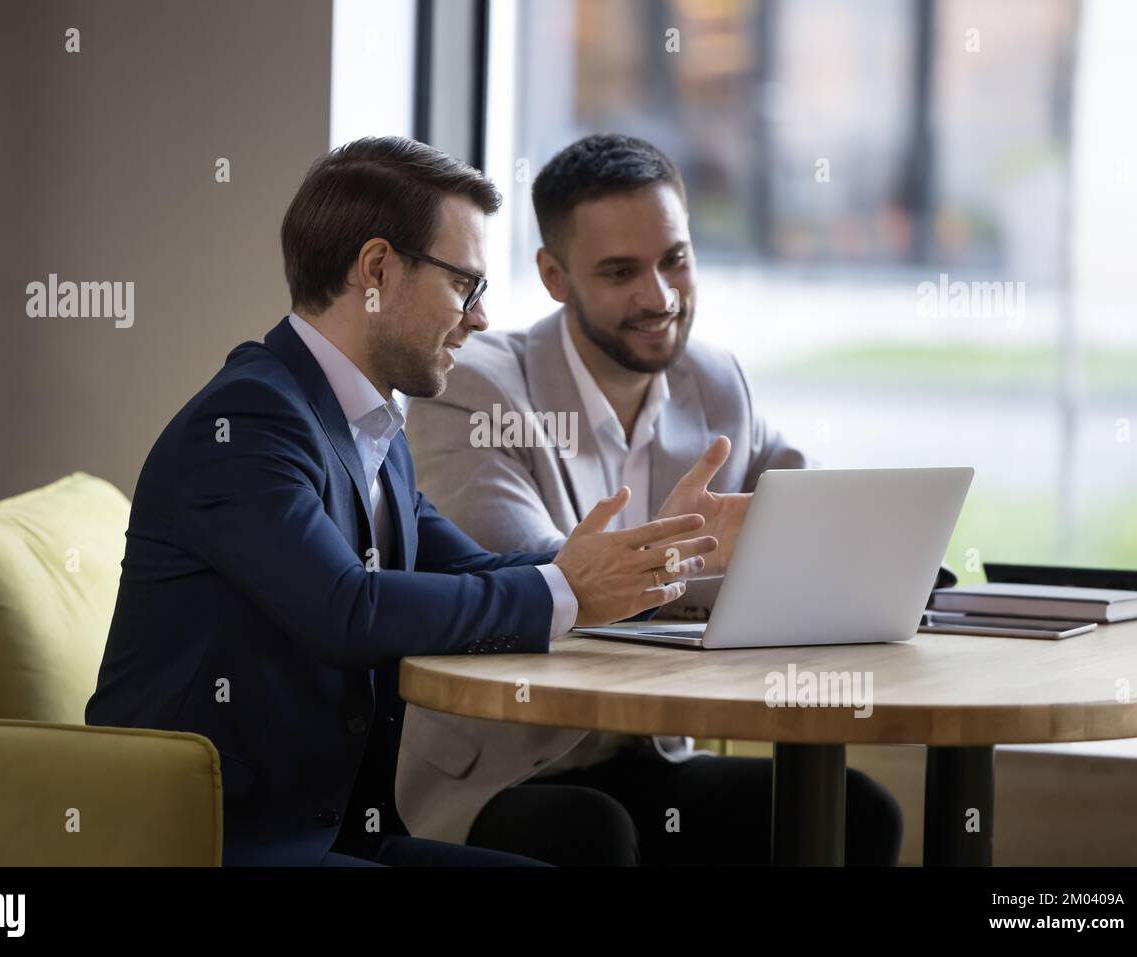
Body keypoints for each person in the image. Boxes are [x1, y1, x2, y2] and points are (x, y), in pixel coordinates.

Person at [85, 135, 730, 867]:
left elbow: (474, 569)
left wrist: (647, 560)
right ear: (377, 270)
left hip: (331, 836)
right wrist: (568, 590)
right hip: (209, 844)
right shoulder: (246, 422)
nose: (480, 318)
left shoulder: (374, 430)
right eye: (466, 285)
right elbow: (347, 610)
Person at [397, 134, 904, 866]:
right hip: (511, 763)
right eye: (619, 272)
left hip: (648, 753)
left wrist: (880, 557)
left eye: (675, 259)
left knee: (857, 814)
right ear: (554, 275)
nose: (660, 297)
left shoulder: (715, 380)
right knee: (593, 833)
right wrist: (714, 562)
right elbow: (540, 579)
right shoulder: (478, 388)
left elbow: (820, 525)